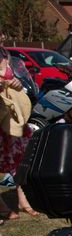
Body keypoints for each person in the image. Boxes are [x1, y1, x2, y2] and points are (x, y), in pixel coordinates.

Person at [0, 46, 37, 221]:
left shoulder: (6, 56)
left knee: (19, 158)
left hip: (10, 116)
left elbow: (21, 82)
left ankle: (23, 200)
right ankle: (1, 205)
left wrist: (17, 83)